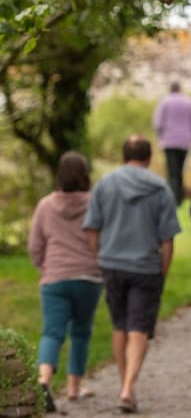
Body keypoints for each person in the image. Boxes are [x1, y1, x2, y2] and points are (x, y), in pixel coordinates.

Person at [83, 135, 180, 414]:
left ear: (124, 156)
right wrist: (163, 271)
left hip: (112, 264)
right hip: (146, 267)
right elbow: (168, 239)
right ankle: (128, 387)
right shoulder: (160, 188)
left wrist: (99, 255)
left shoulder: (105, 185)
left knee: (120, 326)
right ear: (148, 158)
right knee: (139, 328)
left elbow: (92, 227)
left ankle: (125, 386)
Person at [28, 151, 103, 413]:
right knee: (81, 331)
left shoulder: (45, 205)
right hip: (88, 277)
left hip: (55, 278)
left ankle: (43, 380)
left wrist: (44, 268)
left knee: (52, 332)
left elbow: (35, 246)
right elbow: (102, 238)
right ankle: (73, 388)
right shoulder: (96, 203)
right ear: (85, 174)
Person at [153, 81, 191, 205]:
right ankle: (178, 198)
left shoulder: (164, 102)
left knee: (171, 171)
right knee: (180, 170)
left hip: (168, 142)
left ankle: (173, 199)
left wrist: (160, 136)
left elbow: (158, 123)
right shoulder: (189, 102)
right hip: (185, 141)